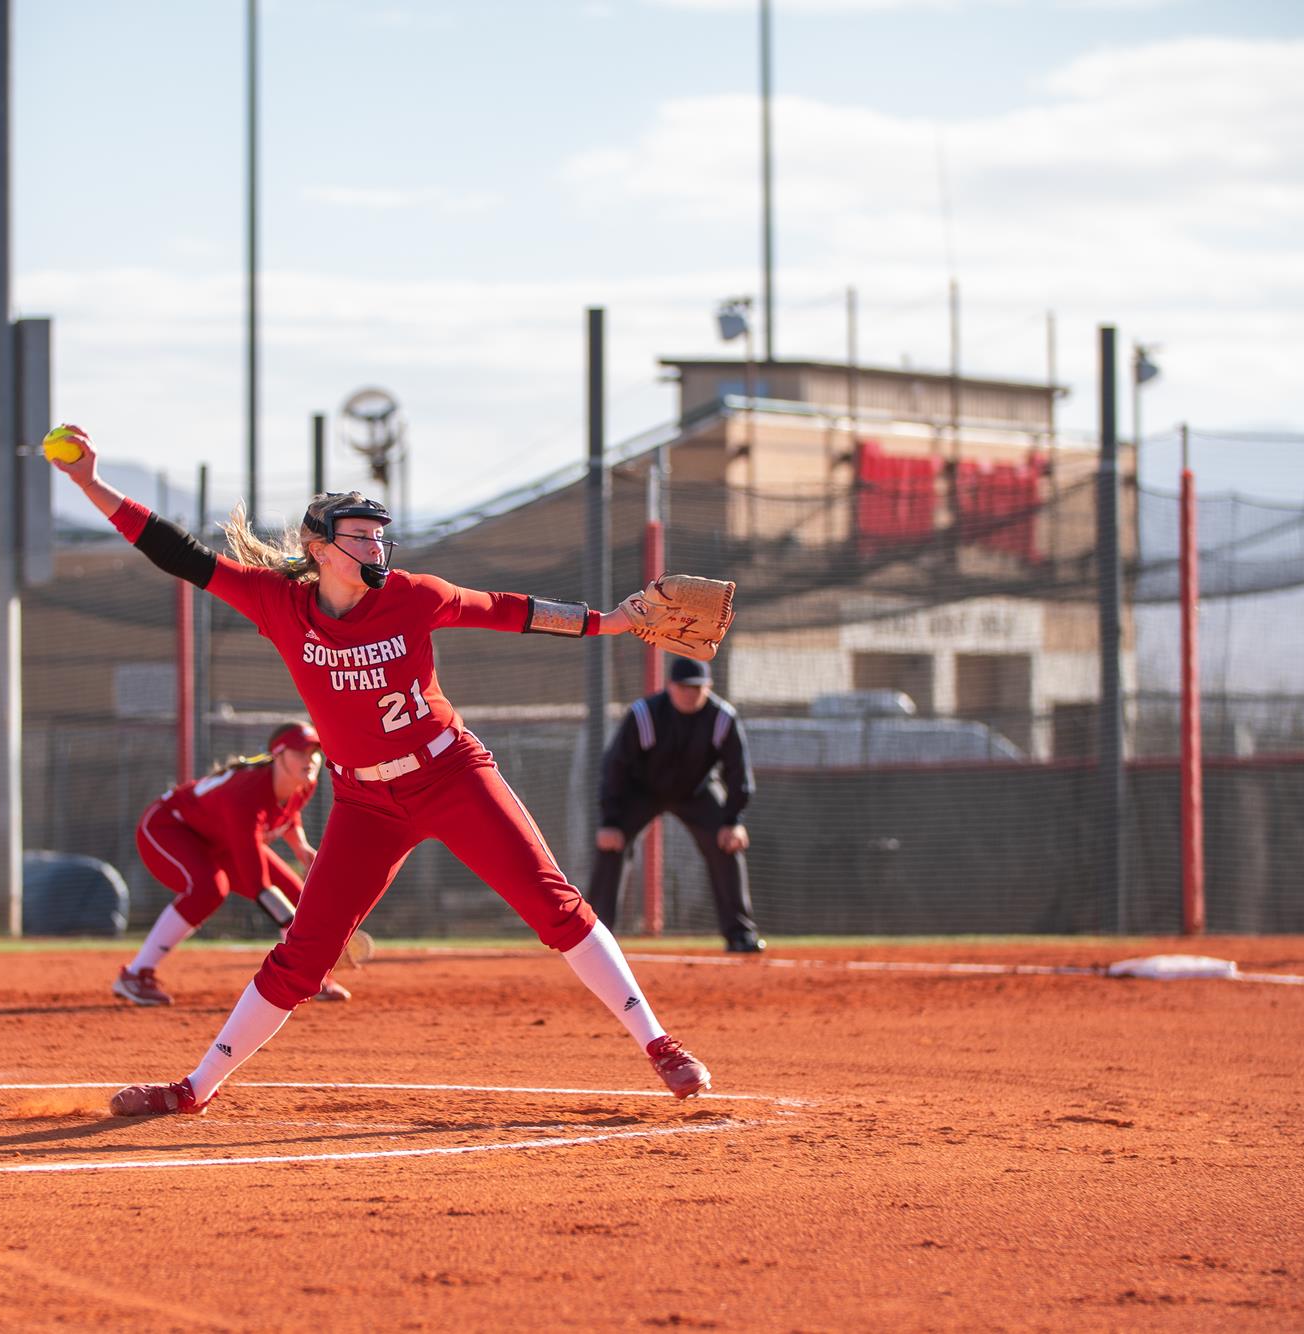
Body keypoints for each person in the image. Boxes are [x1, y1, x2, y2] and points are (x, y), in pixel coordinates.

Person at [49, 423, 713, 1118]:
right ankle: (193, 1090)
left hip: (451, 774)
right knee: (305, 955)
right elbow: (178, 554)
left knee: (554, 905)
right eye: (358, 536)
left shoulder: (413, 595)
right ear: (318, 550)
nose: (374, 546)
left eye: (377, 536)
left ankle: (660, 1044)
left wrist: (605, 622)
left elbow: (508, 611)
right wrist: (92, 484)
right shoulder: (279, 603)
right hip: (365, 803)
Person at [115, 720, 353, 1006]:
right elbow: (258, 886)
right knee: (210, 888)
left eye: (314, 752)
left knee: (298, 895)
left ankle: (310, 975)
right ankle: (136, 974)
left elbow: (288, 814)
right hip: (168, 827)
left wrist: (300, 846)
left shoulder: (305, 783)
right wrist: (302, 932)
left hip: (218, 835)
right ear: (277, 755)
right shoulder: (245, 798)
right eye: (300, 752)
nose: (310, 759)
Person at [590, 655, 766, 953]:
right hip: (641, 789)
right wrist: (610, 821)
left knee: (727, 843)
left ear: (708, 687)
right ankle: (594, 937)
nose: (690, 693)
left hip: (696, 791)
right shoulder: (645, 714)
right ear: (669, 686)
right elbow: (615, 768)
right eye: (683, 686)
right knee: (612, 844)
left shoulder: (722, 717)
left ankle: (740, 934)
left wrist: (733, 821)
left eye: (697, 687)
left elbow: (738, 773)